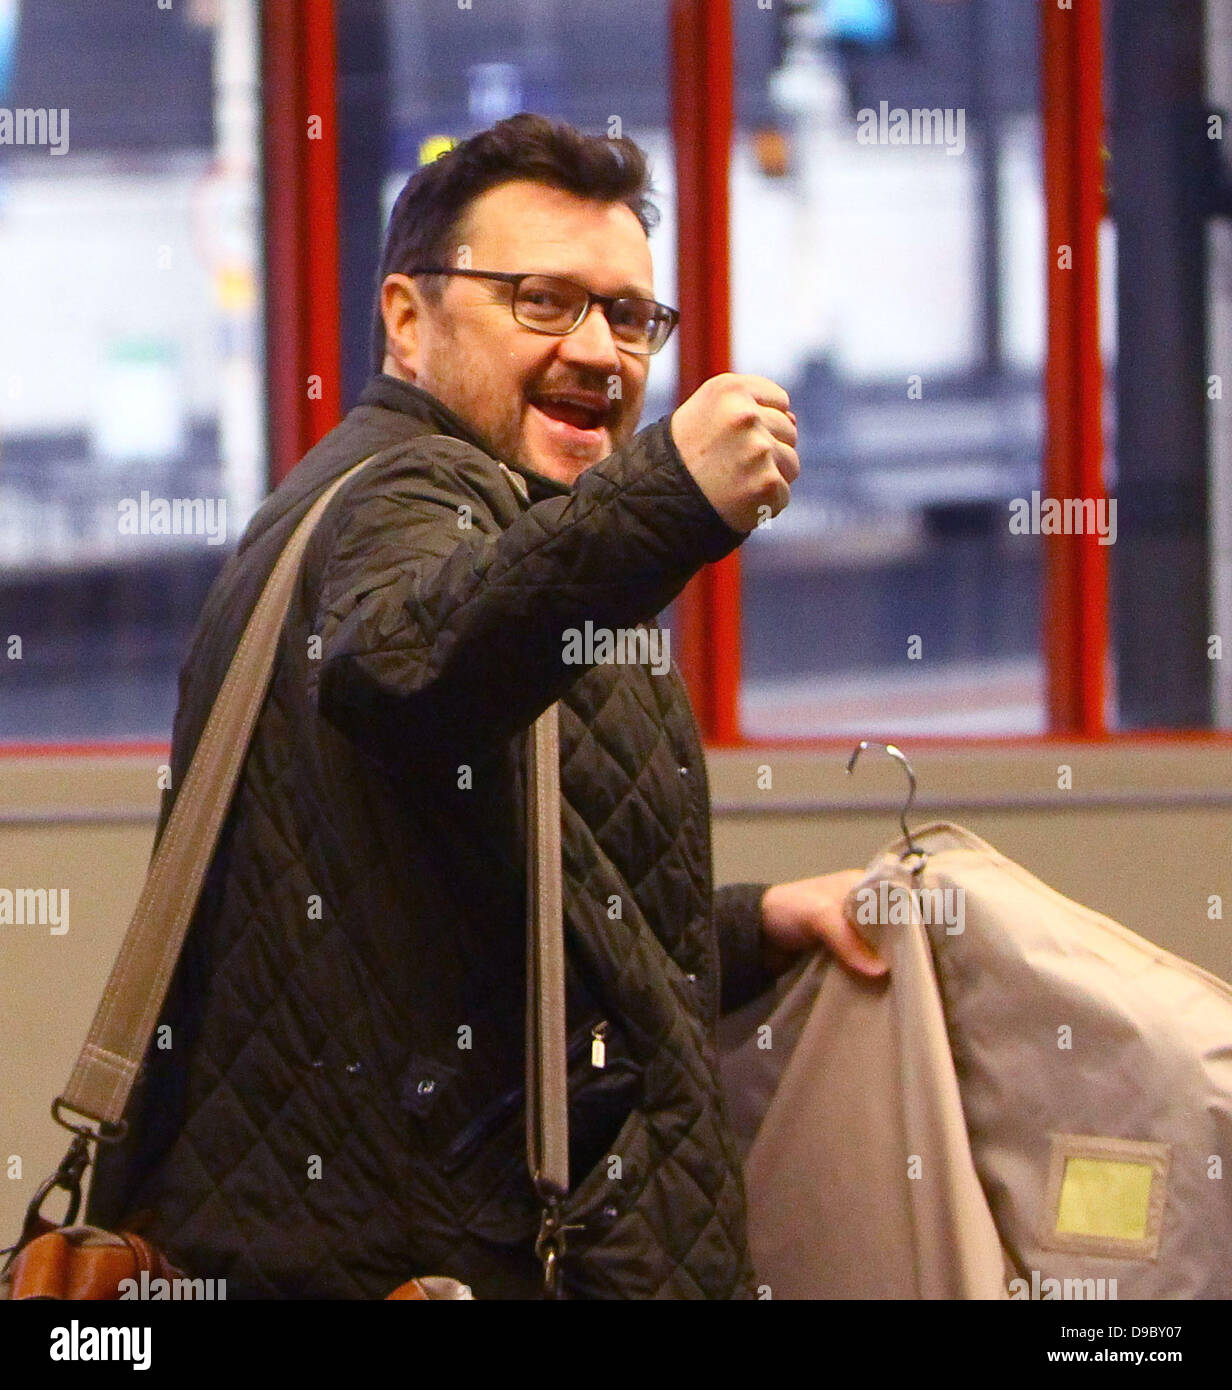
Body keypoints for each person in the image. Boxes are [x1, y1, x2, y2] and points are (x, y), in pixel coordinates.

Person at [86, 112, 884, 1300]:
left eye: (629, 315)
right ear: (407, 322)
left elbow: (505, 921)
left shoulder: (450, 518)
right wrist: (669, 492)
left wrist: (751, 923)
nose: (599, 352)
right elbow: (404, 668)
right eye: (541, 301)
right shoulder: (416, 489)